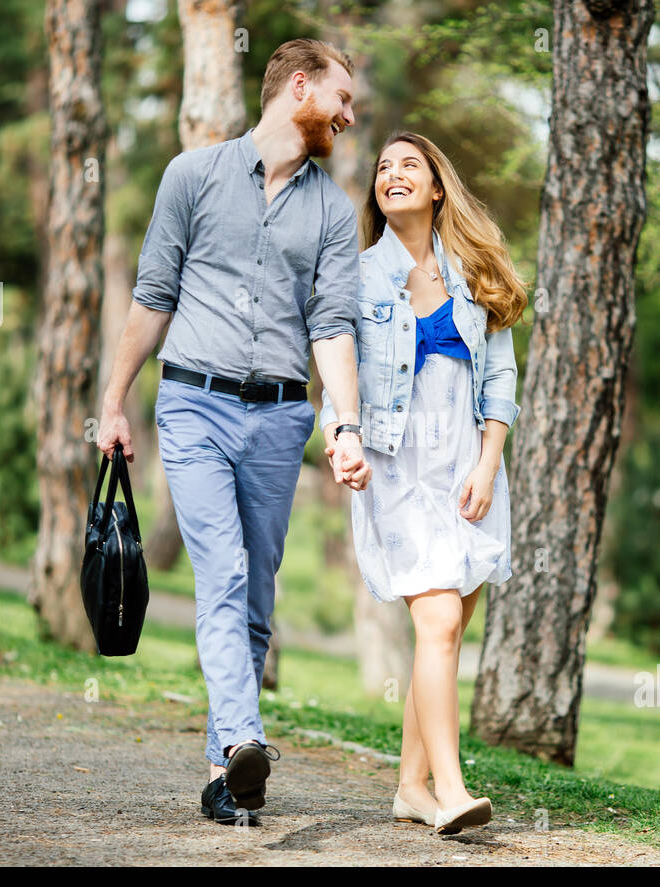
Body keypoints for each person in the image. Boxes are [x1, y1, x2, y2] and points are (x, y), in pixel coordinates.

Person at [96, 39, 372, 826]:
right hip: (194, 407)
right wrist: (114, 403)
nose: (350, 118)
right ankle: (246, 739)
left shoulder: (330, 210)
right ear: (297, 87)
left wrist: (344, 425)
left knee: (255, 599)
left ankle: (226, 777)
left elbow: (333, 327)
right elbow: (152, 296)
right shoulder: (193, 175)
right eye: (342, 100)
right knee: (220, 576)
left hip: (283, 418)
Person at [320, 131, 526, 835]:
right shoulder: (355, 276)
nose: (392, 174)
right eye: (383, 167)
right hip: (395, 465)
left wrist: (489, 463)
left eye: (410, 165)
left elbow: (500, 377)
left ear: (438, 187)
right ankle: (452, 790)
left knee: (450, 629)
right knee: (436, 621)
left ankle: (410, 786)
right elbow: (336, 372)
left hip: (465, 463)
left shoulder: (473, 271)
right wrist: (339, 437)